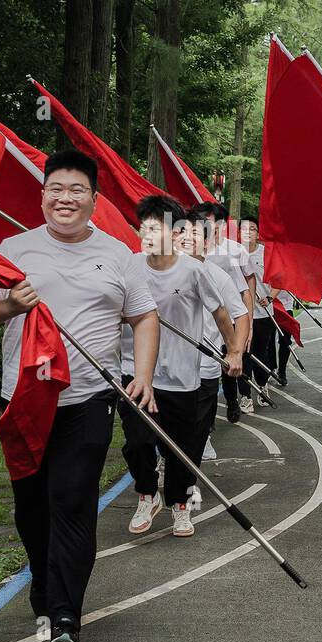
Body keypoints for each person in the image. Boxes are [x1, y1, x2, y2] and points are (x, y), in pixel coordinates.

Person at [0, 149, 159, 642]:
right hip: (25, 399)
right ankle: (45, 587)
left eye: (76, 190)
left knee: (72, 501)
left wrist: (140, 374)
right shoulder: (13, 249)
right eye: (56, 189)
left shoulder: (119, 255)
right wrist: (9, 303)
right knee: (32, 509)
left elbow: (143, 317)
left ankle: (65, 614)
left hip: (88, 399)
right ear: (43, 194)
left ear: (94, 199)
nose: (65, 198)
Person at [120, 196, 238, 537]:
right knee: (139, 441)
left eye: (155, 228)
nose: (147, 233)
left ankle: (180, 504)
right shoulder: (130, 266)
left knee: (181, 448)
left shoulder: (194, 271)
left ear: (175, 233)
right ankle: (147, 494)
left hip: (182, 376)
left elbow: (220, 313)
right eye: (143, 227)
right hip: (136, 370)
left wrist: (232, 350)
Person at [174, 211, 247, 482]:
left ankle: (186, 484)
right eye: (182, 232)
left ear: (207, 242)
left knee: (196, 427)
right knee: (167, 428)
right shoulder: (158, 270)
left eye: (195, 234)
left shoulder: (218, 276)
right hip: (166, 368)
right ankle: (171, 466)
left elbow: (240, 315)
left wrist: (235, 350)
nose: (187, 238)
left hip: (205, 365)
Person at [191, 201, 257, 422]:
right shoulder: (183, 251)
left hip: (223, 322)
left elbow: (246, 287)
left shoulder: (231, 251)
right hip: (193, 324)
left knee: (225, 365)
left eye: (209, 221)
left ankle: (231, 401)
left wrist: (248, 325)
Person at [239, 215, 276, 411]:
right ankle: (245, 395)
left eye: (252, 229)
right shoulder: (233, 253)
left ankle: (262, 386)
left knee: (261, 354)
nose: (248, 232)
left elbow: (279, 279)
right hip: (241, 315)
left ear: (258, 233)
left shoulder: (266, 254)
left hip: (263, 314)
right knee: (243, 355)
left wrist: (270, 297)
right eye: (244, 228)